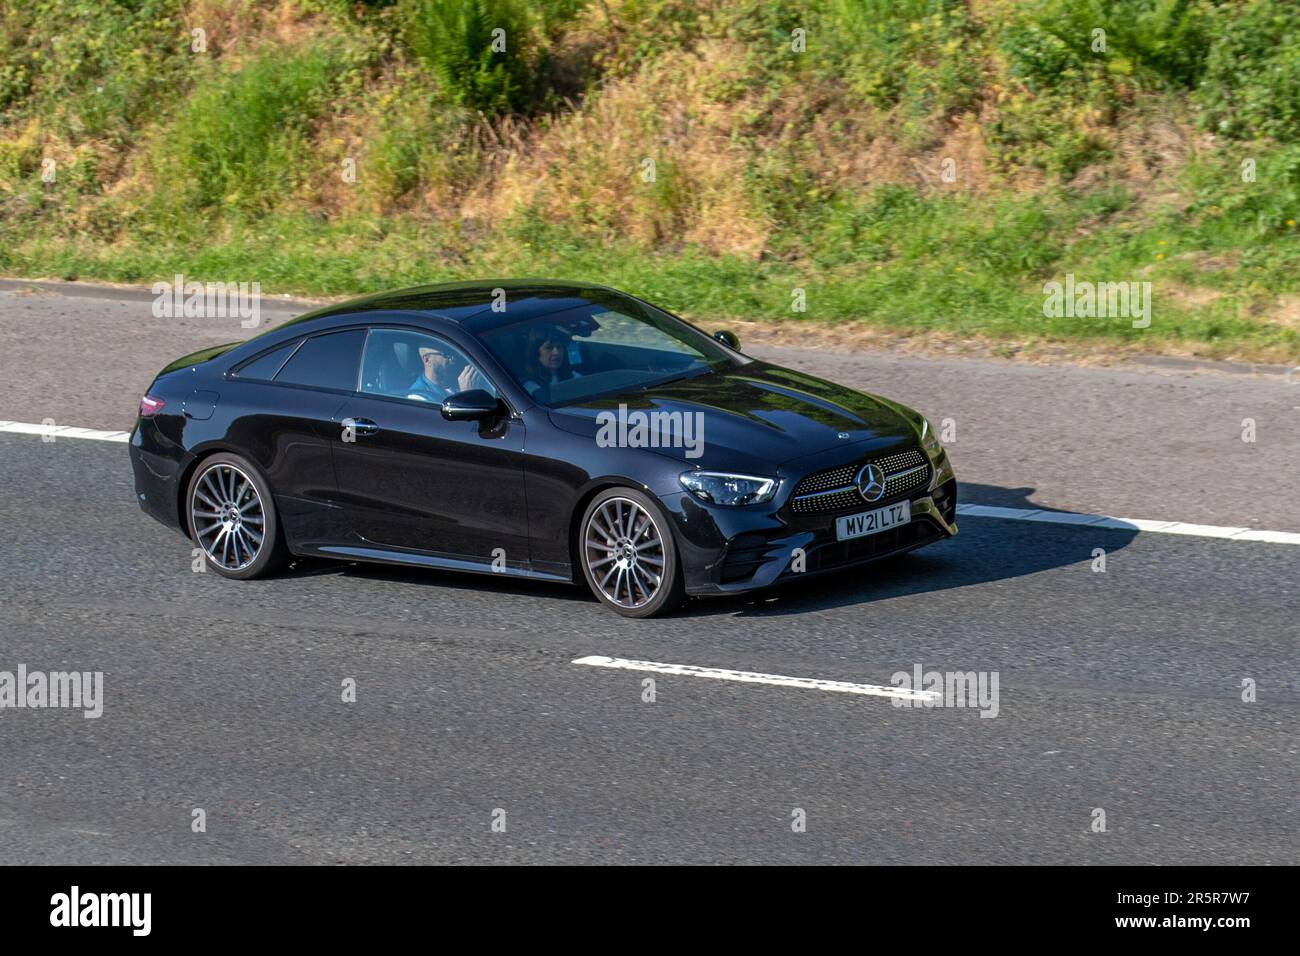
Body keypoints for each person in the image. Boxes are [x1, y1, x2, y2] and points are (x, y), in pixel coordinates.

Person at [408, 344, 492, 403]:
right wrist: (467, 396)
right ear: (427, 360)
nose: (454, 358)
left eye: (453, 351)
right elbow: (451, 427)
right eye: (446, 353)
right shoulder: (418, 398)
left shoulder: (460, 378)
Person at [520, 325, 582, 397]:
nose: (556, 352)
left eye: (559, 347)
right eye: (549, 348)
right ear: (535, 353)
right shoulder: (531, 386)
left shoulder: (574, 375)